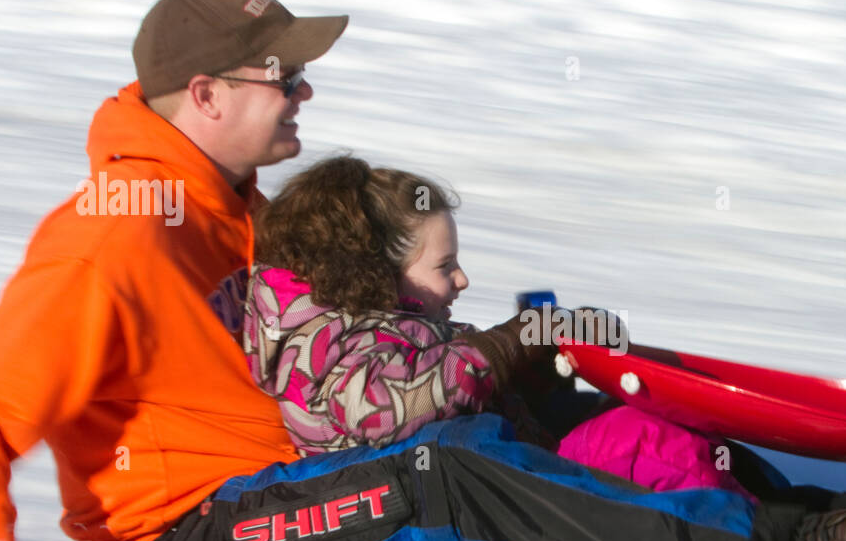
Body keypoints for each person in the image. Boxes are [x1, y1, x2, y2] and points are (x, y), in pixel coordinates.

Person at [0, 0, 846, 541]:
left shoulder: (243, 211)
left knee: (529, 400)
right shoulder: (112, 235)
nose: (305, 93)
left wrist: (496, 354)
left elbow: (348, 353)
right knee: (440, 478)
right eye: (283, 76)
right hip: (202, 530)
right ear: (205, 94)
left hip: (311, 469)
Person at [240, 153, 753, 499]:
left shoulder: (388, 330)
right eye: (444, 267)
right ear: (379, 274)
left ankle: (778, 523)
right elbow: (386, 407)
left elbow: (442, 377)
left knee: (644, 430)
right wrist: (504, 345)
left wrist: (544, 361)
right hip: (452, 525)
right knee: (639, 442)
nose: (462, 280)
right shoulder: (330, 347)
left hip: (504, 484)